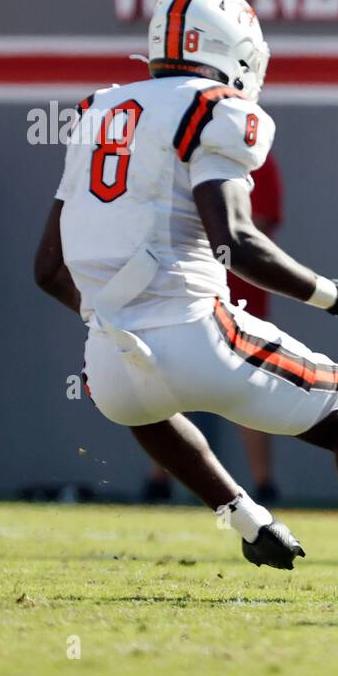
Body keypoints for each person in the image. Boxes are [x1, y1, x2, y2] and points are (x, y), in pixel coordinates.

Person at [34, 0, 338, 610]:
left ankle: (247, 521)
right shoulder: (215, 108)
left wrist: (106, 316)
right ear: (230, 48)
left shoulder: (99, 108)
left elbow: (47, 268)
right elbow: (234, 242)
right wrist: (333, 295)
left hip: (109, 363)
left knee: (145, 405)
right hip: (200, 332)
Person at [144, 154, 286, 503]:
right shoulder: (181, 159)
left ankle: (263, 483)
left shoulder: (256, 160)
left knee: (247, 383)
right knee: (172, 380)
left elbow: (258, 229)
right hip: (188, 288)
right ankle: (158, 480)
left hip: (239, 290)